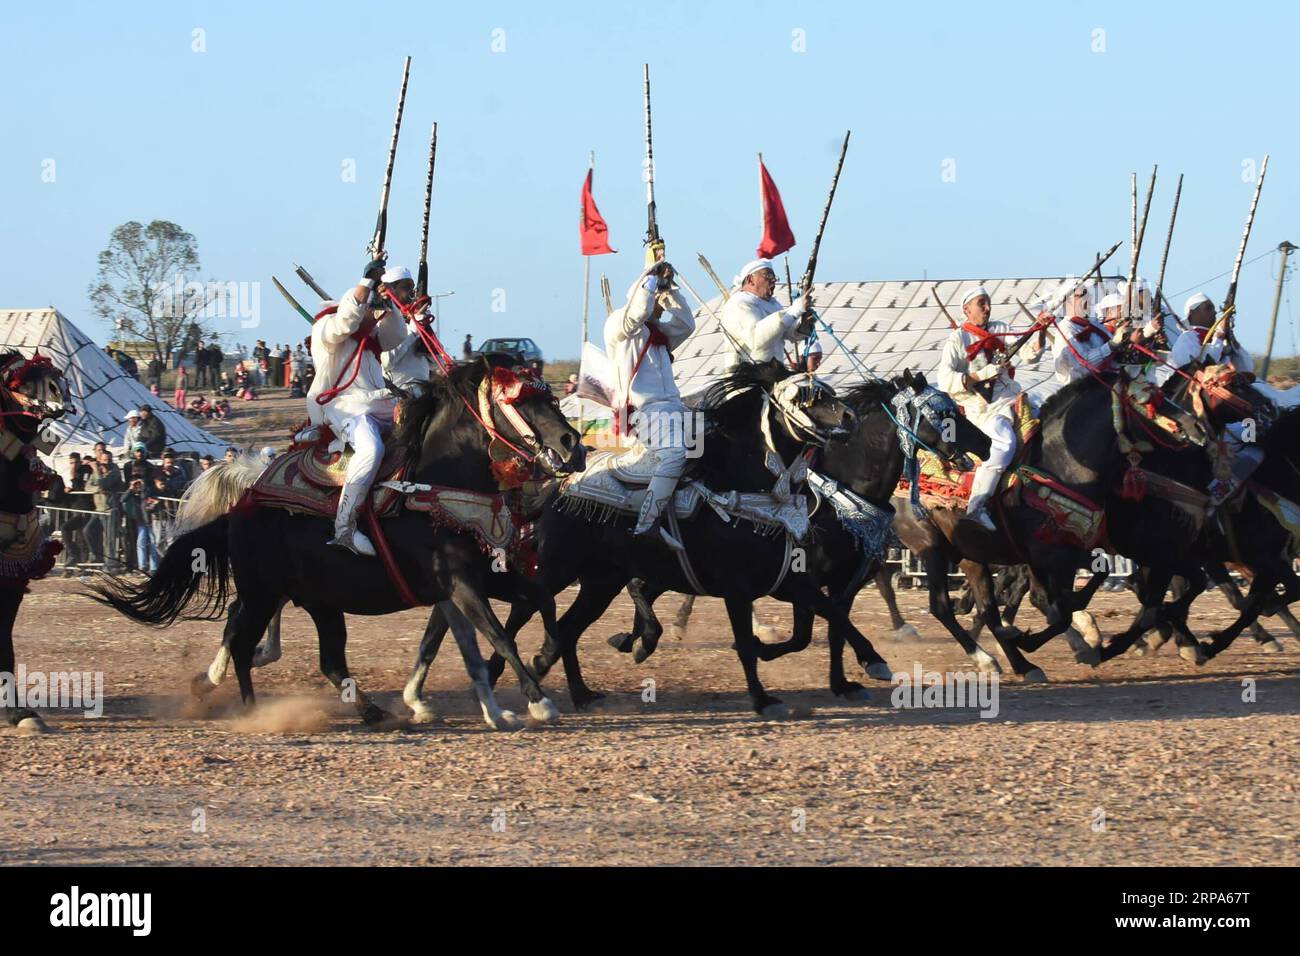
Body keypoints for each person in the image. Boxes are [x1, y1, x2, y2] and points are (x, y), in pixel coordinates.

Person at [305, 259, 411, 555]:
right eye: (363, 306)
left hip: (378, 400)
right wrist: (366, 282)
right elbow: (345, 322)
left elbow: (397, 336)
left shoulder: (370, 335)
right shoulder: (326, 328)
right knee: (371, 450)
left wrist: (386, 302)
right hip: (343, 406)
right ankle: (345, 528)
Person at [604, 258, 696, 550]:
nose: (659, 304)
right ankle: (648, 522)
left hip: (674, 409)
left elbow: (687, 323)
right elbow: (637, 313)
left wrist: (669, 290)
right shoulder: (619, 325)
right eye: (655, 296)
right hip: (643, 413)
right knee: (674, 454)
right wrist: (652, 277)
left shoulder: (659, 332)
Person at [937, 286, 1041, 532]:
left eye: (988, 302)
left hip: (1012, 397)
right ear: (967, 309)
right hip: (982, 407)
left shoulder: (1000, 328)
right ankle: (978, 505)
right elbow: (945, 379)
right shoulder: (958, 339)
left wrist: (1040, 331)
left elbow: (1029, 354)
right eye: (981, 303)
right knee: (1004, 442)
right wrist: (983, 374)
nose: (987, 307)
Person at [718, 259, 813, 369]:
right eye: (768, 276)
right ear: (750, 279)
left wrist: (803, 322)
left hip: (773, 373)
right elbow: (756, 338)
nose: (773, 281)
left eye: (774, 278)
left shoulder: (773, 304)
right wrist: (794, 310)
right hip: (746, 376)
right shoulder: (738, 303)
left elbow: (790, 334)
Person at [85, 449, 125, 572]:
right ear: (100, 460)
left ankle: (110, 564)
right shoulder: (97, 472)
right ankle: (97, 557)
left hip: (110, 509)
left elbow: (104, 484)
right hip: (98, 509)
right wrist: (97, 489)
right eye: (104, 460)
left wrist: (96, 471)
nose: (106, 463)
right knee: (88, 531)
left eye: (108, 460)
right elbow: (87, 487)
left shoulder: (115, 472)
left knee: (109, 539)